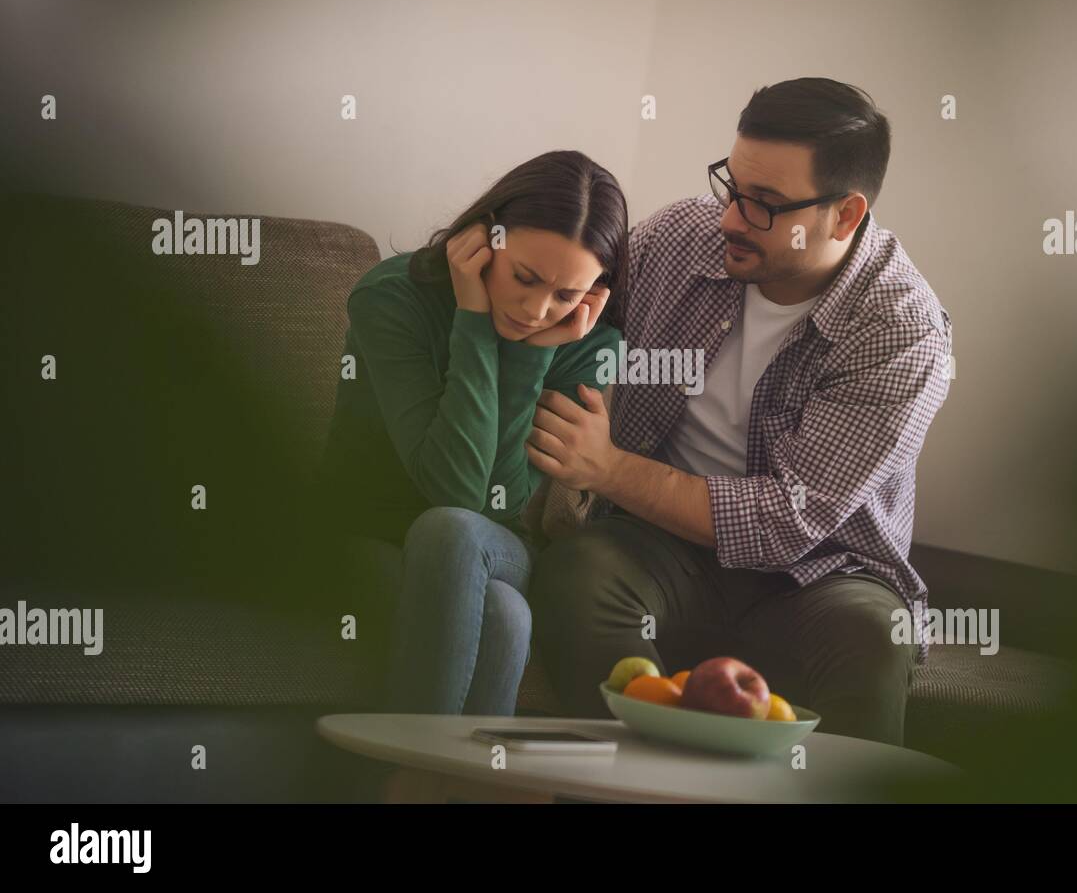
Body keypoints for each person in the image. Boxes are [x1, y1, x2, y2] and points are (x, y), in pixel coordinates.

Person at [525, 79, 953, 746]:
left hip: (823, 573)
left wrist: (608, 469)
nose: (729, 218)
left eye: (766, 205)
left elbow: (789, 520)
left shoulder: (901, 331)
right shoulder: (680, 239)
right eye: (732, 184)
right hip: (659, 549)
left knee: (873, 637)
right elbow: (563, 307)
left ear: (844, 216)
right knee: (582, 576)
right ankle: (634, 790)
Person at [314, 149, 626, 716]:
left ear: (595, 291)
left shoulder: (590, 347)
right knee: (507, 617)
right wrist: (474, 321)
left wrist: (534, 356)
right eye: (524, 278)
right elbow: (453, 487)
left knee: (453, 532)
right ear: (485, 241)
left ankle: (411, 783)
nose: (536, 311)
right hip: (364, 532)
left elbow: (490, 503)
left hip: (490, 544)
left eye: (565, 295)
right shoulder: (392, 298)